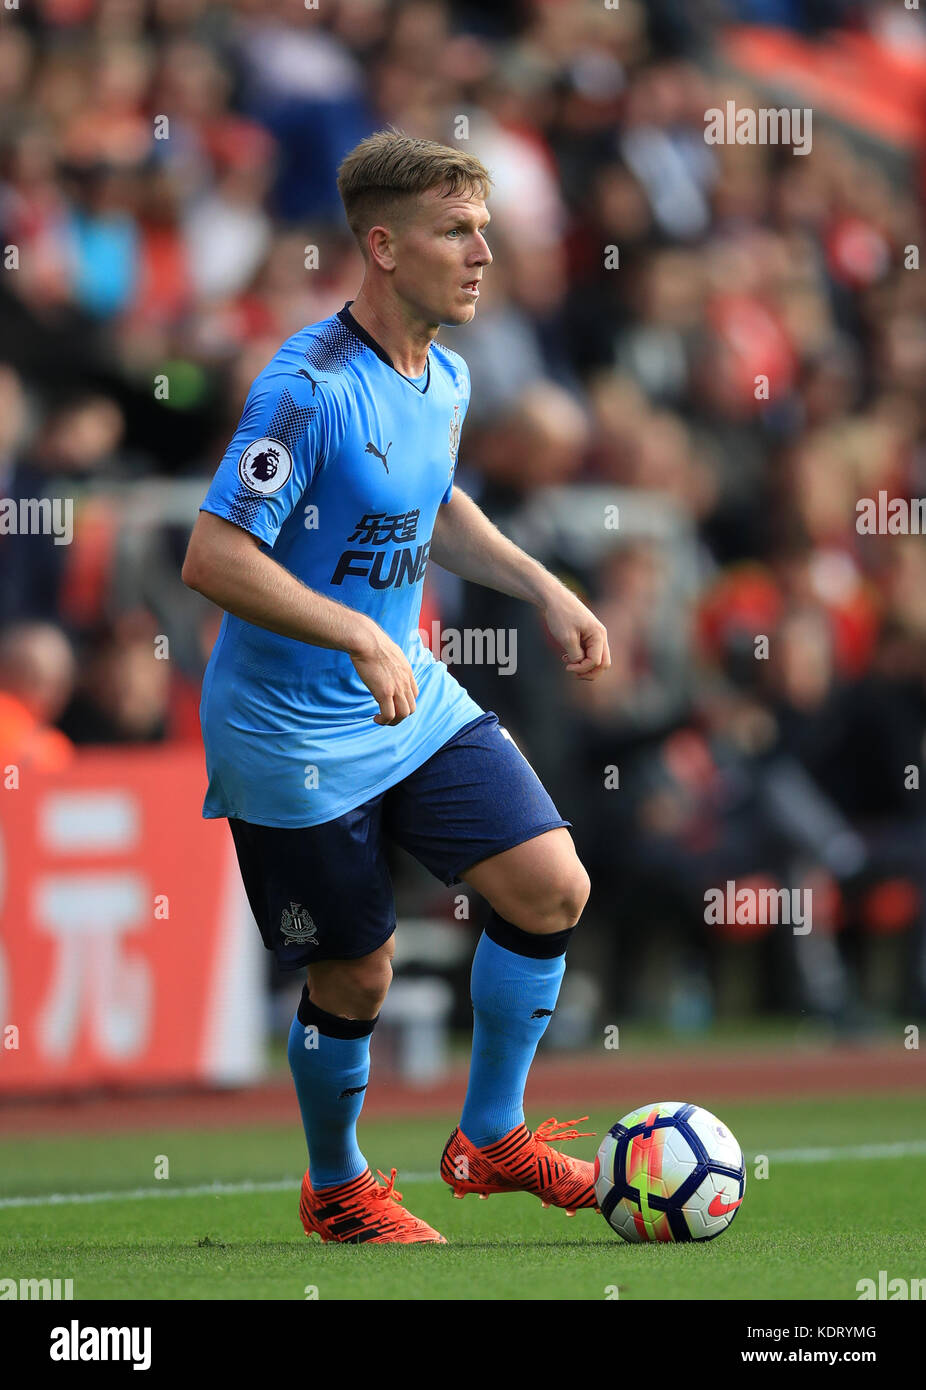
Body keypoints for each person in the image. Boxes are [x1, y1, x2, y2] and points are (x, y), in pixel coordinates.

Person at [182, 130, 610, 1245]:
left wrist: (541, 585)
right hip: (288, 730)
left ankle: (491, 1137)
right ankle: (336, 1187)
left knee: (549, 885)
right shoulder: (305, 388)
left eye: (482, 228)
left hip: (408, 700)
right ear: (380, 245)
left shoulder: (449, 374)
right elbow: (214, 556)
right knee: (358, 977)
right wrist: (353, 636)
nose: (481, 252)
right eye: (453, 232)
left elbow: (430, 505)